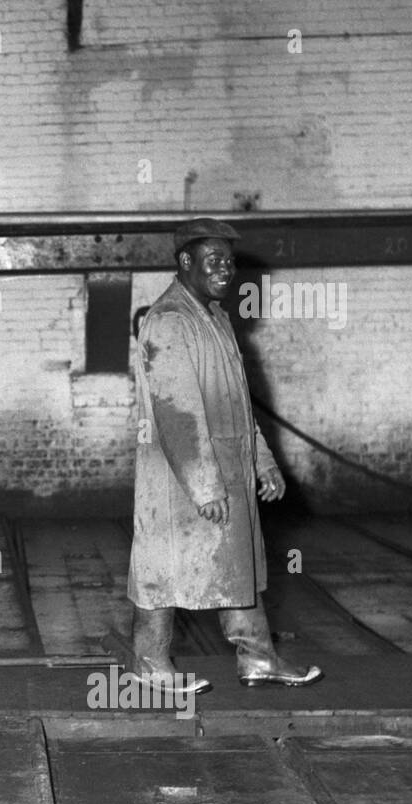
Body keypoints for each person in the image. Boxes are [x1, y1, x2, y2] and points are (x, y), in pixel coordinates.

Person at [127, 217, 322, 693]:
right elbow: (177, 412)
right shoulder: (171, 320)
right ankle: (149, 661)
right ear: (185, 262)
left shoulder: (213, 316)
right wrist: (204, 486)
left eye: (229, 261)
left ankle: (257, 658)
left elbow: (237, 399)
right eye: (214, 260)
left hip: (227, 467)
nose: (226, 270)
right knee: (163, 565)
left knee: (240, 563)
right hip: (179, 479)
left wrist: (264, 461)